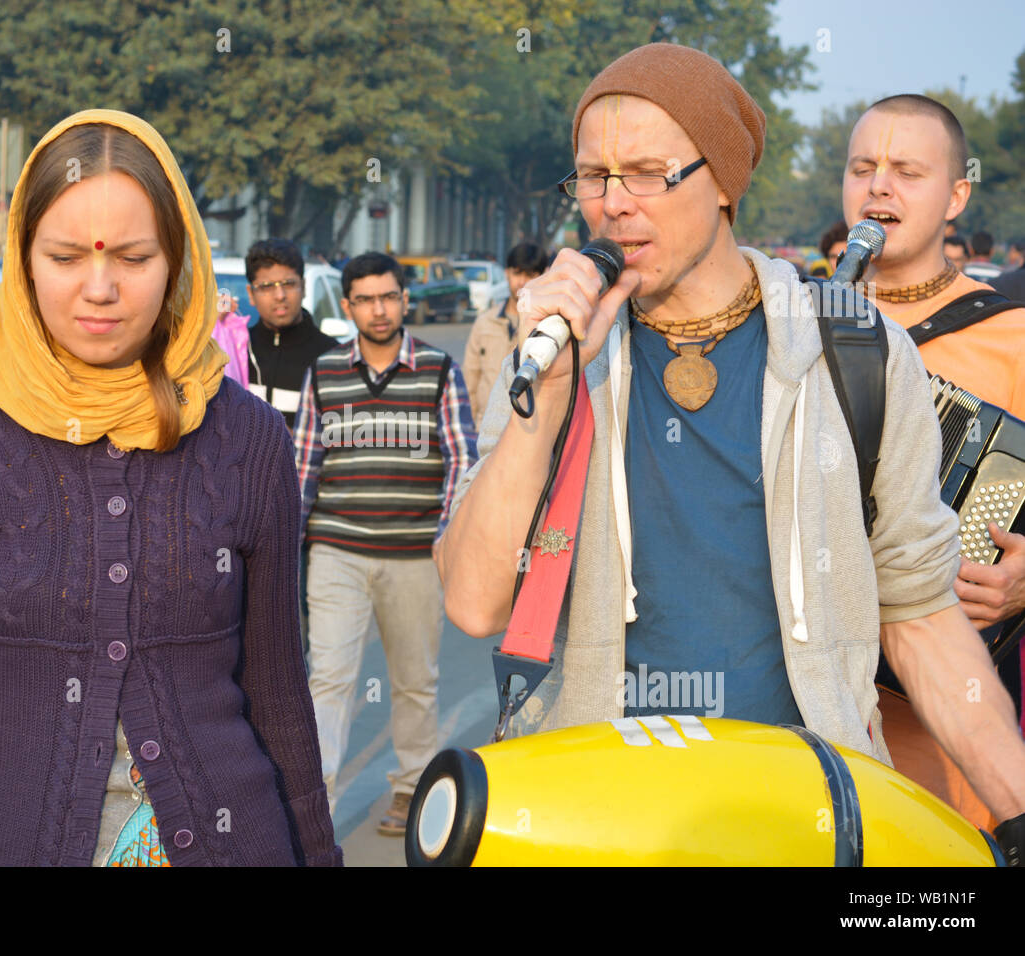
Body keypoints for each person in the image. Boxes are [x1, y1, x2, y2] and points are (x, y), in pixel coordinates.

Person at [438, 44, 1025, 845]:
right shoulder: (561, 353)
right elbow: (474, 603)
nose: (612, 206)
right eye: (593, 177)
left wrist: (1016, 798)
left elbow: (920, 612)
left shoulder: (855, 351)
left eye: (646, 173)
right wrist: (544, 388)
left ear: (721, 181)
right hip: (601, 820)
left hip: (805, 814)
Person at [0, 110, 340, 867]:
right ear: (23, 258)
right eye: (66, 256)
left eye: (133, 258)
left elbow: (279, 697)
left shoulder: (250, 443)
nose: (99, 289)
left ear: (177, 261)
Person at [842, 93, 1025, 830]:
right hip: (807, 728)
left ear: (956, 196)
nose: (879, 186)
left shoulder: (1010, 337)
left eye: (907, 171)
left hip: (945, 745)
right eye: (863, 168)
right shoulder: (796, 323)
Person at [293, 251, 476, 835]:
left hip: (414, 554)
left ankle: (409, 788)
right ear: (348, 307)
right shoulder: (324, 373)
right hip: (336, 552)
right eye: (366, 299)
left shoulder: (438, 369)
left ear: (404, 299)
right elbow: (303, 467)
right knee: (329, 678)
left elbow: (461, 461)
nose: (379, 309)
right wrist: (285, 551)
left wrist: (446, 540)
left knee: (414, 679)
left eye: (389, 296)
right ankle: (314, 798)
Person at [244, 237, 338, 431]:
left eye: (288, 284)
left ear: (303, 287)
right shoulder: (237, 351)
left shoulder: (331, 357)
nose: (280, 296)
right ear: (251, 294)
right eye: (267, 286)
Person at [462, 241, 546, 414]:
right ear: (507, 273)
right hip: (484, 429)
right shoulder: (485, 322)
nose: (522, 282)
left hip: (529, 429)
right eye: (517, 273)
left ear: (542, 276)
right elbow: (469, 379)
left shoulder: (548, 328)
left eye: (530, 275)